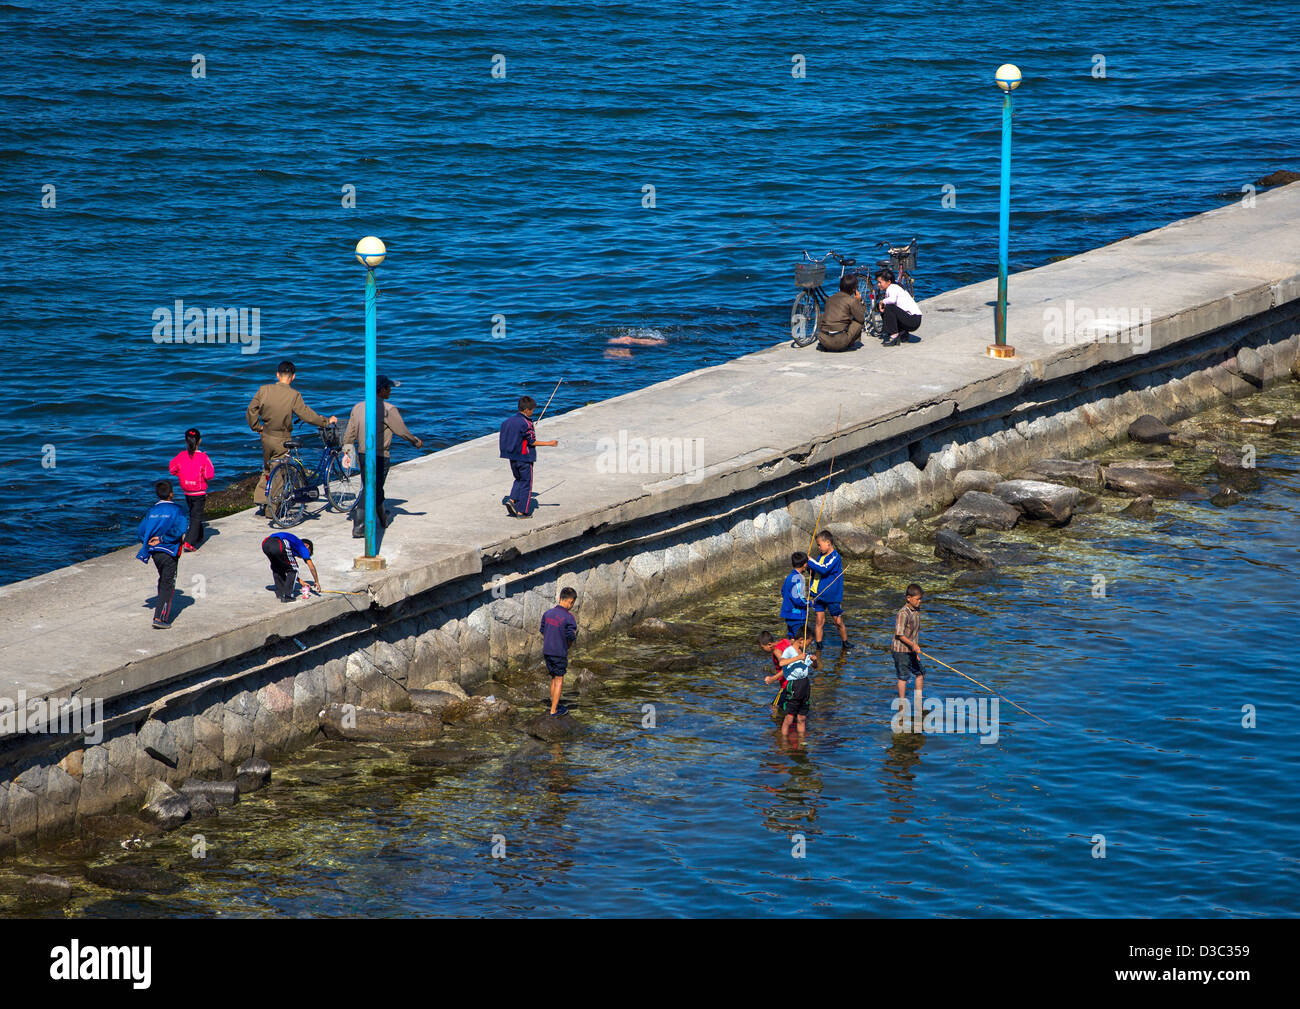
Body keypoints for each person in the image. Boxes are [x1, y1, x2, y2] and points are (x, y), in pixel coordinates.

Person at [246, 360, 337, 514]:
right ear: (293, 377)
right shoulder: (294, 395)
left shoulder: (264, 390)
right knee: (280, 472)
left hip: (266, 436)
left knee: (268, 467)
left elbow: (251, 409)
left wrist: (257, 427)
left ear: (277, 374)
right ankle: (272, 510)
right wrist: (326, 421)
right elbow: (306, 415)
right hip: (282, 438)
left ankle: (261, 499)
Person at [342, 375, 423, 538]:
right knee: (371, 488)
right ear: (382, 390)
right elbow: (402, 431)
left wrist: (347, 452)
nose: (391, 390)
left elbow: (349, 433)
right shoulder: (388, 409)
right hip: (379, 455)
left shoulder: (358, 407)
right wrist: (416, 442)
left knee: (374, 488)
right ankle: (359, 526)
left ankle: (382, 518)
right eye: (388, 388)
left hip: (363, 454)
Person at [136, 480, 188, 628]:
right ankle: (160, 618)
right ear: (171, 494)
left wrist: (149, 541)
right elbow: (181, 528)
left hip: (154, 553)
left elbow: (141, 531)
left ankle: (160, 605)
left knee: (163, 579)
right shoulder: (177, 509)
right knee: (168, 583)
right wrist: (162, 539)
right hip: (170, 550)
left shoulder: (152, 511)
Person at [499, 395, 557, 518]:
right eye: (532, 410)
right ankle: (522, 512)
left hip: (512, 457)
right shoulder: (527, 423)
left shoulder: (507, 422)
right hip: (524, 458)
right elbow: (531, 441)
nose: (532, 412)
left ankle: (512, 500)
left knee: (518, 479)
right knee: (526, 483)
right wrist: (550, 443)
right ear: (526, 410)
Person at [168, 427, 214, 551]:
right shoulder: (203, 457)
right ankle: (189, 541)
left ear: (186, 441)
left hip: (187, 491)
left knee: (193, 513)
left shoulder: (181, 456)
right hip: (199, 492)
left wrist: (182, 474)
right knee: (196, 516)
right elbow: (209, 475)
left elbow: (172, 469)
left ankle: (199, 535)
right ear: (199, 441)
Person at [806, 530, 852, 652]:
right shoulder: (820, 556)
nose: (819, 547)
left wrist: (811, 562)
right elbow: (816, 570)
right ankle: (819, 645)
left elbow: (824, 570)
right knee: (819, 621)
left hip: (832, 596)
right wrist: (808, 566)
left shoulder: (835, 557)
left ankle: (845, 642)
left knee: (838, 621)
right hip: (818, 595)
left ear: (828, 542)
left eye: (820, 544)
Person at [765, 630, 815, 735]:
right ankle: (780, 729)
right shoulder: (786, 645)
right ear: (801, 640)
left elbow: (784, 665)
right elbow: (784, 663)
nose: (809, 645)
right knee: (788, 714)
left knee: (796, 714)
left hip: (799, 685)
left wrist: (813, 660)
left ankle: (780, 725)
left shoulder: (779, 650)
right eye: (809, 643)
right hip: (793, 684)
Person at [540, 587, 579, 716]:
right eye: (572, 603)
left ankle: (553, 704)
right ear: (571, 601)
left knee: (553, 677)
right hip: (559, 652)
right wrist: (567, 646)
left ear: (560, 598)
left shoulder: (548, 613)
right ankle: (554, 710)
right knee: (559, 679)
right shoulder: (569, 617)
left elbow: (542, 630)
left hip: (547, 651)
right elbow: (571, 636)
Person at [262, 531, 320, 602]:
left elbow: (287, 568)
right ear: (307, 546)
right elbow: (311, 566)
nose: (302, 557)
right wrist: (316, 581)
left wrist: (301, 581)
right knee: (294, 569)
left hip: (265, 543)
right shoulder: (302, 545)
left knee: (278, 567)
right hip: (279, 543)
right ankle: (288, 596)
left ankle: (281, 593)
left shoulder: (292, 547)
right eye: (308, 553)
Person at [816, 273, 866, 352]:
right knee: (858, 322)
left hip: (823, 340)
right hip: (840, 342)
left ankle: (826, 343)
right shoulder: (852, 301)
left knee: (823, 316)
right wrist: (860, 301)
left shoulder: (830, 299)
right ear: (854, 289)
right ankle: (851, 344)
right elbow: (861, 318)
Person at [873, 267, 923, 346]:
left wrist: (882, 301)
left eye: (880, 282)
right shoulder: (896, 287)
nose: (878, 285)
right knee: (887, 307)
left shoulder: (892, 288)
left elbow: (892, 300)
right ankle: (902, 334)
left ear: (888, 282)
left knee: (889, 307)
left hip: (913, 320)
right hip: (914, 319)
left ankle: (894, 336)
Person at [893, 583, 925, 701]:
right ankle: (902, 703)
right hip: (900, 650)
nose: (919, 601)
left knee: (920, 672)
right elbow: (899, 634)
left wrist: (915, 651)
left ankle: (918, 700)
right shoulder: (903, 613)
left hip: (911, 649)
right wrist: (913, 645)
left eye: (921, 599)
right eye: (917, 599)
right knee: (903, 677)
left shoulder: (916, 611)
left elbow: (914, 633)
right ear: (908, 598)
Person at [780, 551, 810, 638]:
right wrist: (809, 603)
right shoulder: (799, 578)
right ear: (804, 564)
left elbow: (783, 591)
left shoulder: (789, 577)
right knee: (800, 640)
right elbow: (798, 599)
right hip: (797, 616)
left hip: (788, 615)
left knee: (792, 639)